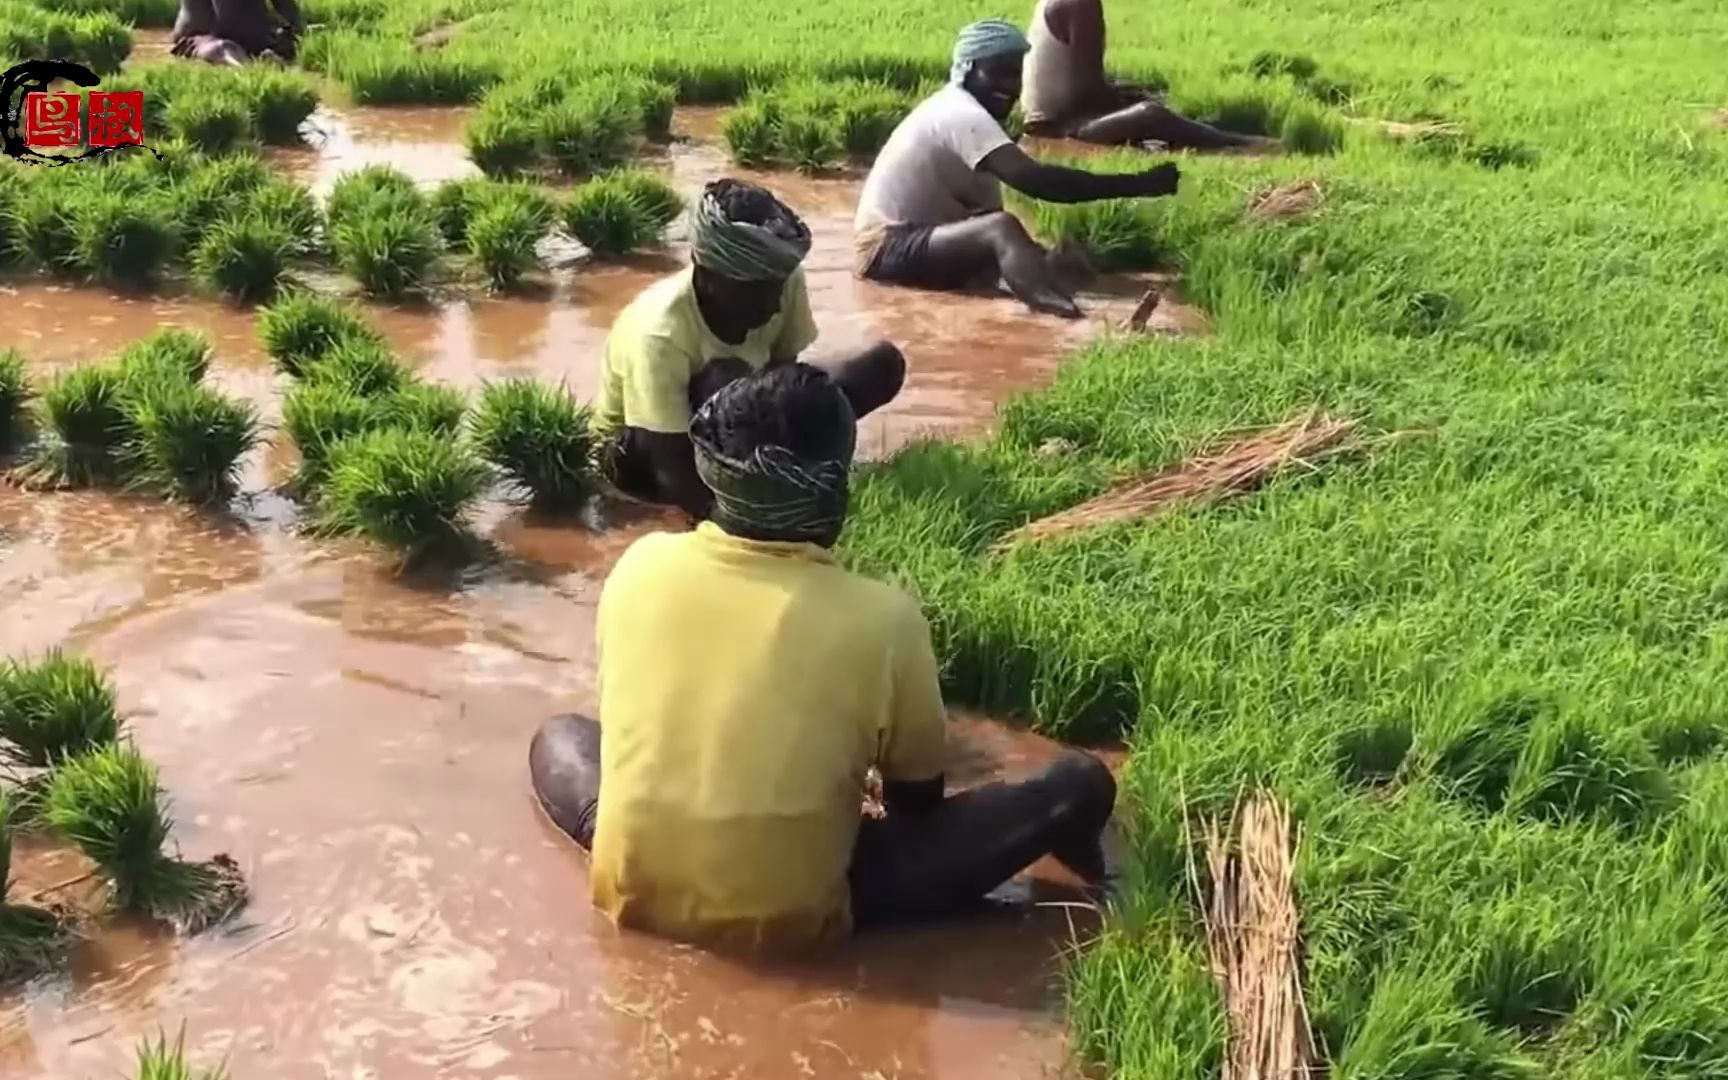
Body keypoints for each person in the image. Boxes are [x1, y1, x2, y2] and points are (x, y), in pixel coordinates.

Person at [530, 364, 1117, 954]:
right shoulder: (884, 618)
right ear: (834, 489)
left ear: (715, 478)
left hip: (630, 888)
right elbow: (915, 807)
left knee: (561, 735)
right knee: (1078, 782)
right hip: (791, 916)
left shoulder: (640, 564)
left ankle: (650, 855)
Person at [595, 178, 905, 521]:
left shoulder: (781, 277)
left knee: (878, 366)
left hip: (734, 415)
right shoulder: (661, 334)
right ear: (709, 278)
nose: (775, 306)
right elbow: (670, 469)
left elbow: (782, 386)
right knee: (722, 379)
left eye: (777, 287)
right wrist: (764, 531)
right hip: (646, 455)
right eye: (759, 293)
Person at [854, 19, 1180, 320]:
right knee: (1002, 229)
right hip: (885, 248)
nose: (1010, 86)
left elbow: (983, 212)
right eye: (997, 73)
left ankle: (1054, 299)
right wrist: (1140, 183)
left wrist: (1039, 260)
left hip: (922, 241)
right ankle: (1069, 319)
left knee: (1058, 261)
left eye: (1015, 73)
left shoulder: (970, 114)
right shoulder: (960, 114)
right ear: (966, 70)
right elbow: (1035, 180)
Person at [1021, 0, 1273, 150]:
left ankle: (1216, 137)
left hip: (1050, 114)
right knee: (1150, 113)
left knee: (1140, 98)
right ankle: (1243, 144)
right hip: (1063, 124)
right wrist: (1124, 99)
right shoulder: (1081, 5)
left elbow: (1082, 80)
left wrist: (1119, 92)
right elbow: (1089, 91)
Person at [171, 0, 303, 66]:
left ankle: (243, 64)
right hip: (227, 39)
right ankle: (245, 67)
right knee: (224, 48)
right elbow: (226, 21)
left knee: (222, 48)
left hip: (194, 40)